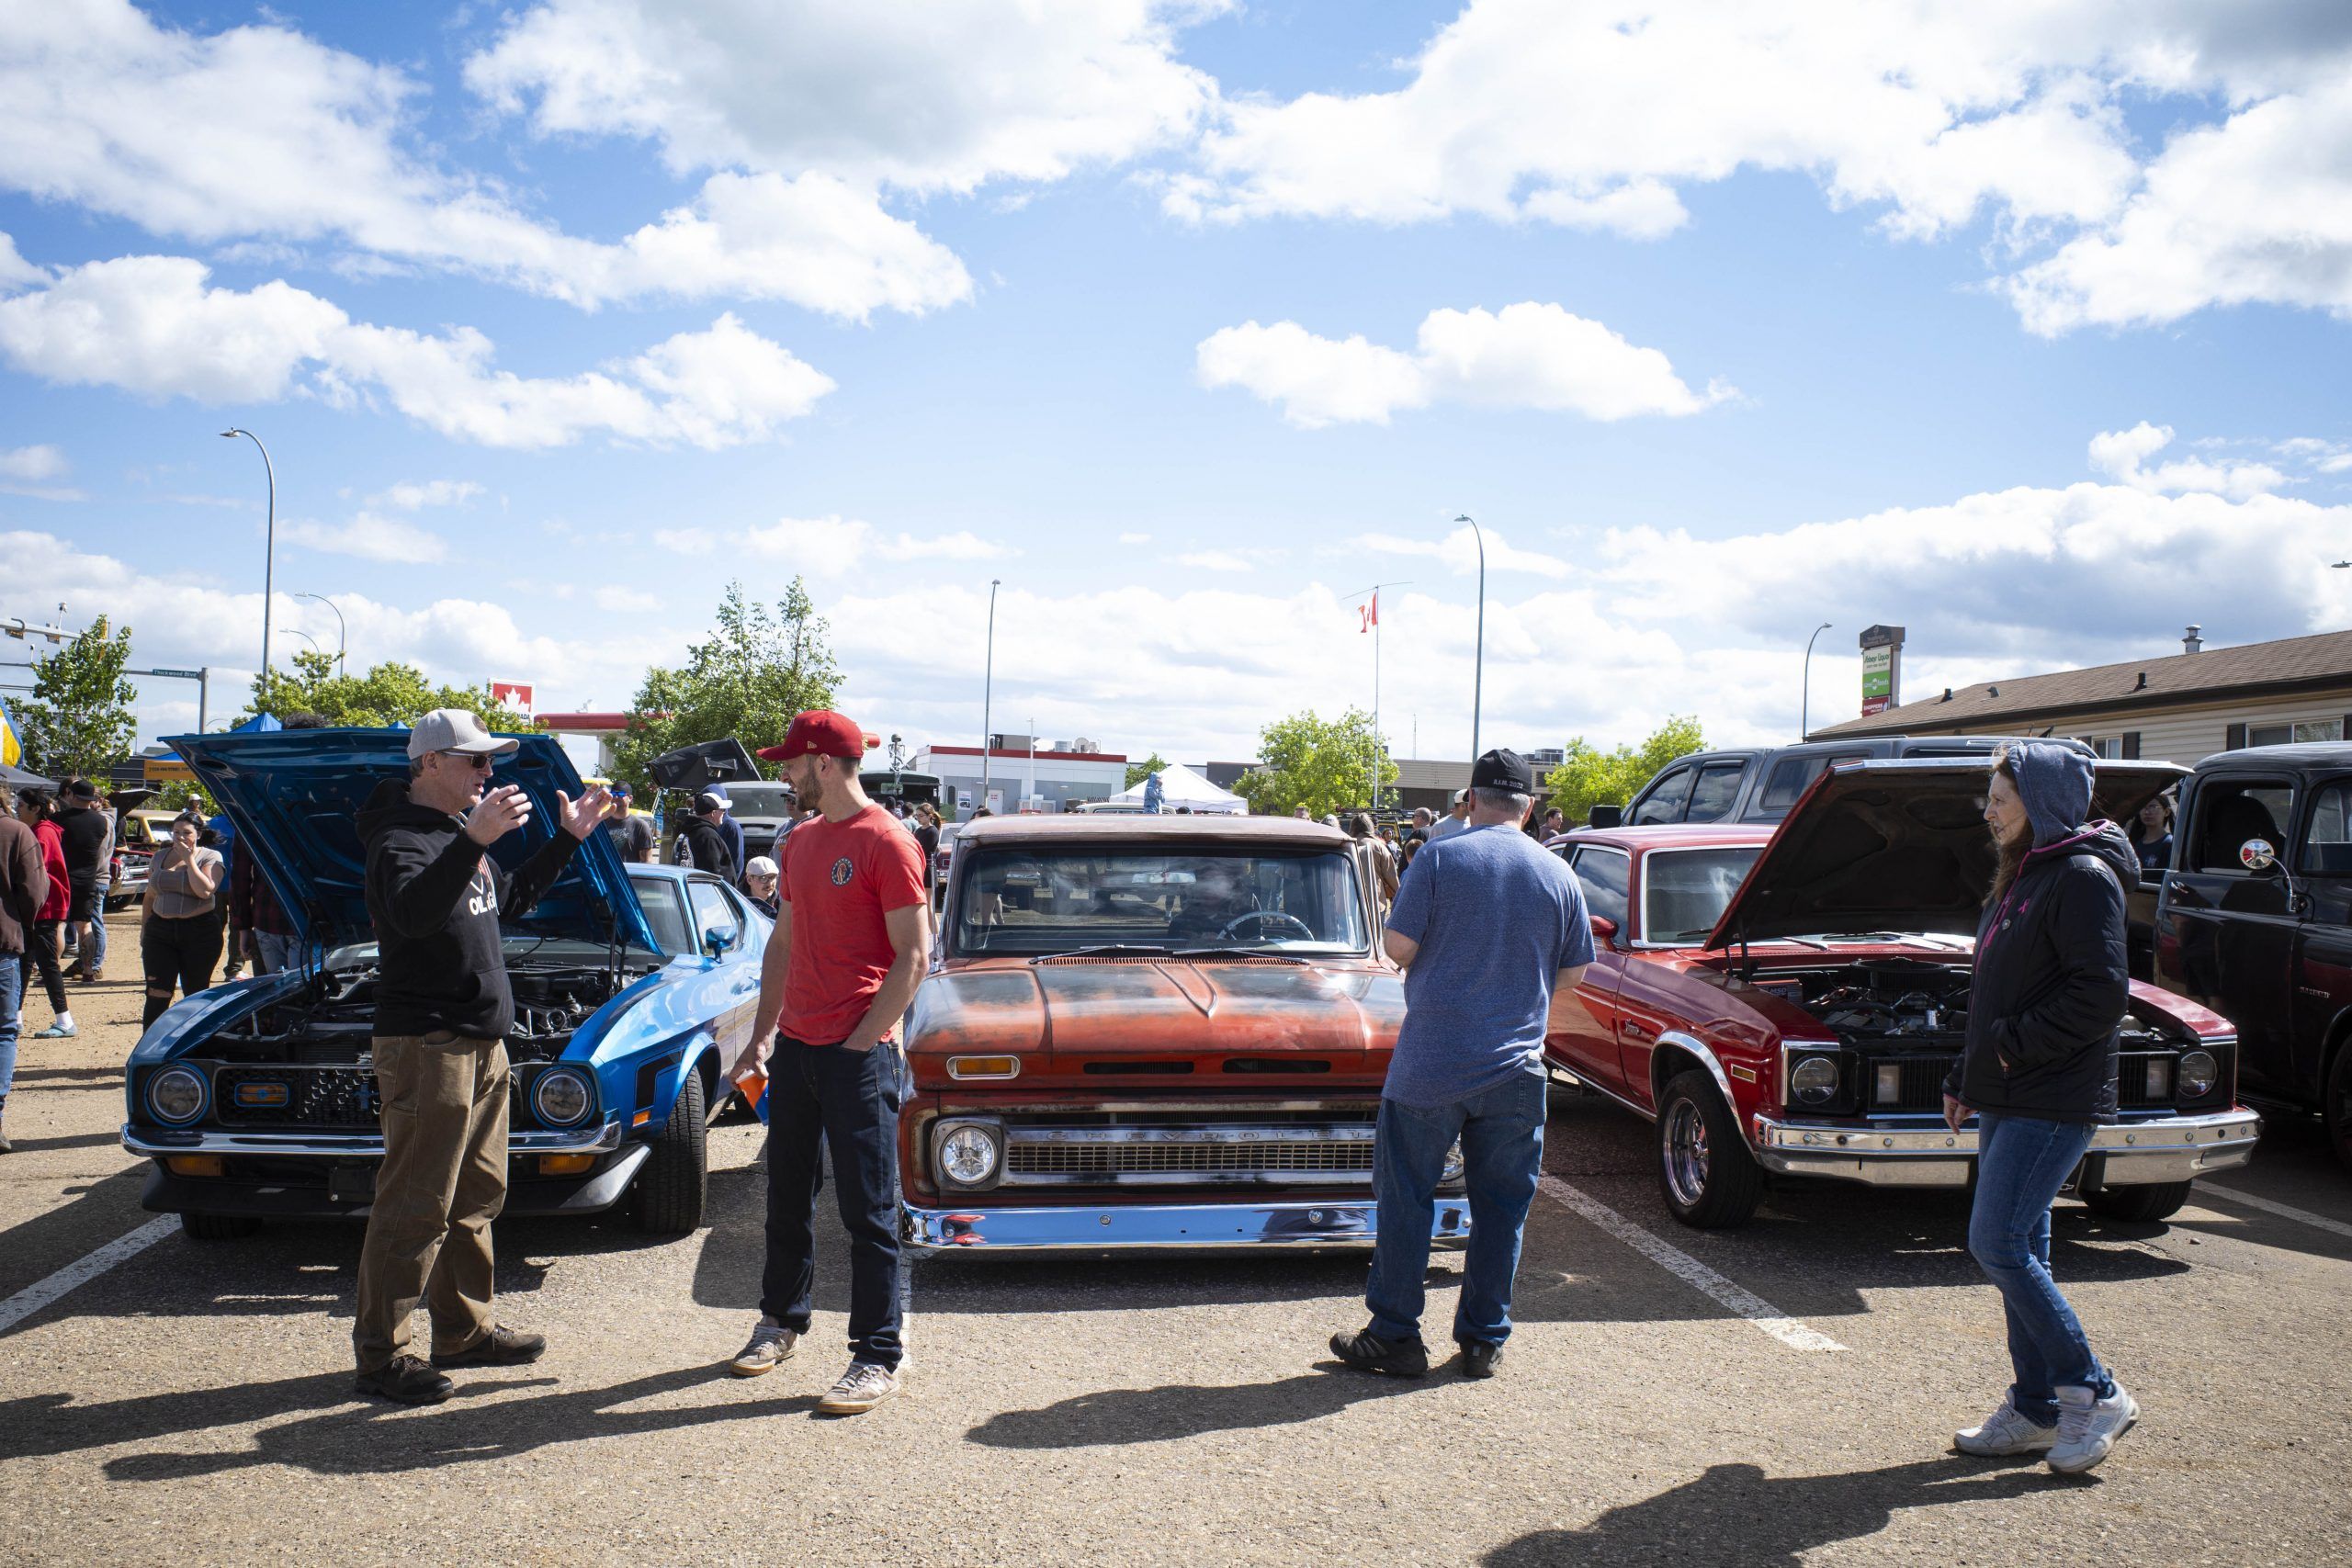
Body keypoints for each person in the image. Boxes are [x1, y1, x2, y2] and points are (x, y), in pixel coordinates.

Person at [350, 708, 611, 1405]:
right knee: (415, 1202)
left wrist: (568, 839)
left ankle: (462, 1330)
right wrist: (473, 839)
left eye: (489, 761)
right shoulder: (401, 838)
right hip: (428, 1041)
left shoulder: (454, 836)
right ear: (430, 763)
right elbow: (412, 914)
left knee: (475, 1196)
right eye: (474, 760)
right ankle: (381, 1353)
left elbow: (510, 899)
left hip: (479, 1039)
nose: (487, 772)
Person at [1331, 750, 1592, 1380]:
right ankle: (1482, 1339)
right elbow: (1576, 972)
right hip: (1517, 1067)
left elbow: (1398, 945)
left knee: (1406, 1199)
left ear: (1471, 800)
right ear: (1529, 809)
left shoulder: (1442, 856)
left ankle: (1395, 1334)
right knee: (1503, 1207)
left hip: (1431, 1066)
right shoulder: (1558, 872)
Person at [1945, 741, 2141, 1475]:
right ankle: (2035, 1407)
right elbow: (1994, 989)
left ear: (2043, 797)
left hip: (2053, 1093)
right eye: (1990, 797)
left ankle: (2096, 1390)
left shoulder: (2084, 877)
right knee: (2021, 1243)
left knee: (1995, 1242)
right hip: (2009, 1087)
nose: (1988, 810)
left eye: (2001, 795)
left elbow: (2101, 995)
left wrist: (2009, 1047)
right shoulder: (2024, 875)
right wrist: (1969, 1072)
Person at [728, 709, 929, 1416]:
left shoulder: (889, 840)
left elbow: (916, 957)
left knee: (868, 1208)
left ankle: (877, 1353)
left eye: (790, 761)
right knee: (785, 1194)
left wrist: (864, 1038)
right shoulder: (801, 839)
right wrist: (761, 1035)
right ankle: (780, 1319)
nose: (783, 771)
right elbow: (783, 943)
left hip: (857, 1054)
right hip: (797, 1048)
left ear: (821, 762)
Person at [1, 784, 53, 1155]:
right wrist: (20, 922)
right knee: (3, 1032)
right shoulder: (17, 831)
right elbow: (35, 891)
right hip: (2, 942)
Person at [140, 814, 225, 1028]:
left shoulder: (210, 856)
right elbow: (150, 896)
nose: (180, 837)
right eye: (176, 832)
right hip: (160, 931)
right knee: (157, 992)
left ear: (198, 834)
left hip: (199, 932)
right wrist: (145, 929)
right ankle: (150, 1052)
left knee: (195, 992)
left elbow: (205, 890)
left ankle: (193, 1048)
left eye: (186, 832)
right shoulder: (160, 856)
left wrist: (189, 860)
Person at [14, 790, 73, 1039]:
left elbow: (33, 872)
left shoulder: (43, 833)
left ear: (35, 808)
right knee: (25, 962)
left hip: (45, 907)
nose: (17, 809)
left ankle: (65, 1020)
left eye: (21, 805)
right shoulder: (40, 831)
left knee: (47, 964)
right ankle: (13, 1017)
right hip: (40, 906)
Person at [56, 779, 109, 984]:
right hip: (88, 880)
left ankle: (51, 971)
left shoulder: (58, 819)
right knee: (85, 927)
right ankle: (88, 970)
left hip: (62, 879)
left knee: (58, 925)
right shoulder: (100, 821)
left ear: (70, 794)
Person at [207, 799, 243, 982]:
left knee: (215, 928)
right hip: (236, 884)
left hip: (216, 883)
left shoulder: (213, 824)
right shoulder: (244, 822)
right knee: (237, 926)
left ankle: (204, 966)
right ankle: (234, 970)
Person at [678, 793, 737, 882]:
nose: (724, 813)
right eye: (722, 810)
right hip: (708, 893)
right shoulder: (708, 836)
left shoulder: (691, 832)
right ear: (713, 813)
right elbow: (711, 875)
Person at [1347, 811, 1399, 906]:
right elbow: (1391, 875)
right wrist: (1399, 894)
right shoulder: (1379, 846)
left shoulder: (1346, 845)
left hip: (1349, 900)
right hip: (1375, 900)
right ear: (1370, 827)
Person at [602, 784, 654, 863]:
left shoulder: (640, 826)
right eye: (613, 794)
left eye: (620, 794)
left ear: (630, 798)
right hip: (602, 874)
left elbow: (647, 862)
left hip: (628, 874)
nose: (616, 797)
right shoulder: (600, 823)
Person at [2126, 795, 2173, 874]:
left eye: (2153, 807)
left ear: (2166, 812)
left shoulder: (2169, 843)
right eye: (2143, 807)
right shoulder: (2134, 843)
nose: (2147, 812)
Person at [742, 855, 780, 919]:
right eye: (763, 878)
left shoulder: (781, 903)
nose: (770, 884)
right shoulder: (735, 904)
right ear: (749, 880)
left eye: (773, 877)